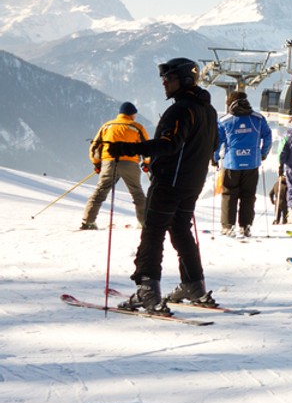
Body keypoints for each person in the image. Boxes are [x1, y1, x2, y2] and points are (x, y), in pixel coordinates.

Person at [107, 58, 219, 314]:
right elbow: (212, 146)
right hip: (192, 184)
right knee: (180, 230)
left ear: (185, 81)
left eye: (169, 78)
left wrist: (129, 149)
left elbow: (169, 144)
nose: (164, 83)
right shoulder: (208, 111)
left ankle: (148, 290)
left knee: (153, 232)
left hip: (169, 183)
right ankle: (194, 286)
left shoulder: (180, 110)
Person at [81, 102, 150, 230]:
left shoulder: (107, 126)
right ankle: (144, 222)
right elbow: (147, 147)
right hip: (130, 163)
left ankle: (88, 222)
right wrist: (146, 163)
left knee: (100, 192)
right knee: (137, 193)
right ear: (132, 114)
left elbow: (95, 147)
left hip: (109, 162)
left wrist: (97, 164)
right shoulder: (137, 127)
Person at [214, 90, 272, 238]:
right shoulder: (258, 118)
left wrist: (214, 158)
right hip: (252, 162)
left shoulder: (224, 120)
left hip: (231, 163)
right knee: (248, 195)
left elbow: (217, 141)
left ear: (229, 104)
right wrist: (262, 153)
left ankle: (228, 226)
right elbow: (268, 136)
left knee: (229, 194)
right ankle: (245, 226)